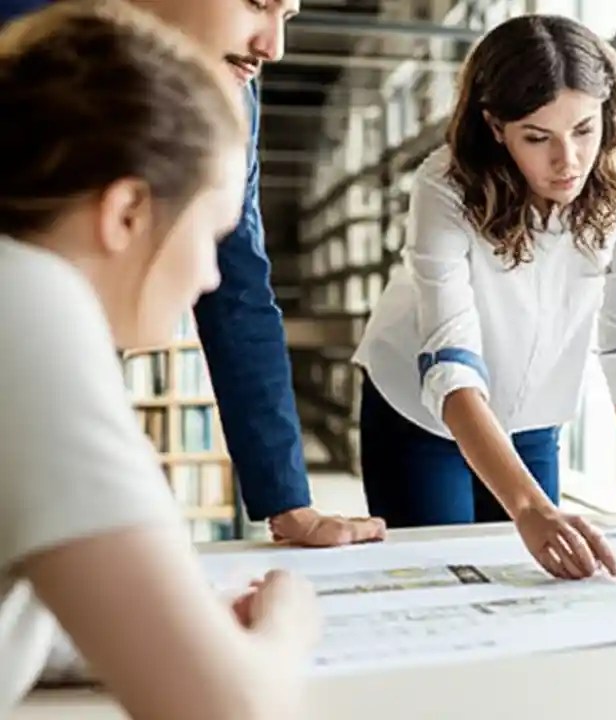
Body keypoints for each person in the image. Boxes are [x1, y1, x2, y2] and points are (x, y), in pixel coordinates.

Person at [0, 3, 319, 718]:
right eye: (210, 233)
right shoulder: (29, 309)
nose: (211, 277)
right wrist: (289, 618)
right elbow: (229, 709)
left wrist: (147, 624)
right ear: (126, 212)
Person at [0, 0, 388, 548]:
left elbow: (240, 284)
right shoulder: (24, 40)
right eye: (257, 4)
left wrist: (288, 502)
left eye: (289, 15)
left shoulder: (233, 96)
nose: (272, 48)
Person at [353, 14, 616, 579]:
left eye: (584, 129)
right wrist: (531, 507)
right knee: (446, 583)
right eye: (538, 138)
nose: (569, 162)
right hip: (421, 411)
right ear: (495, 126)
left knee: (540, 580)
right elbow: (449, 360)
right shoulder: (442, 185)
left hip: (535, 411)